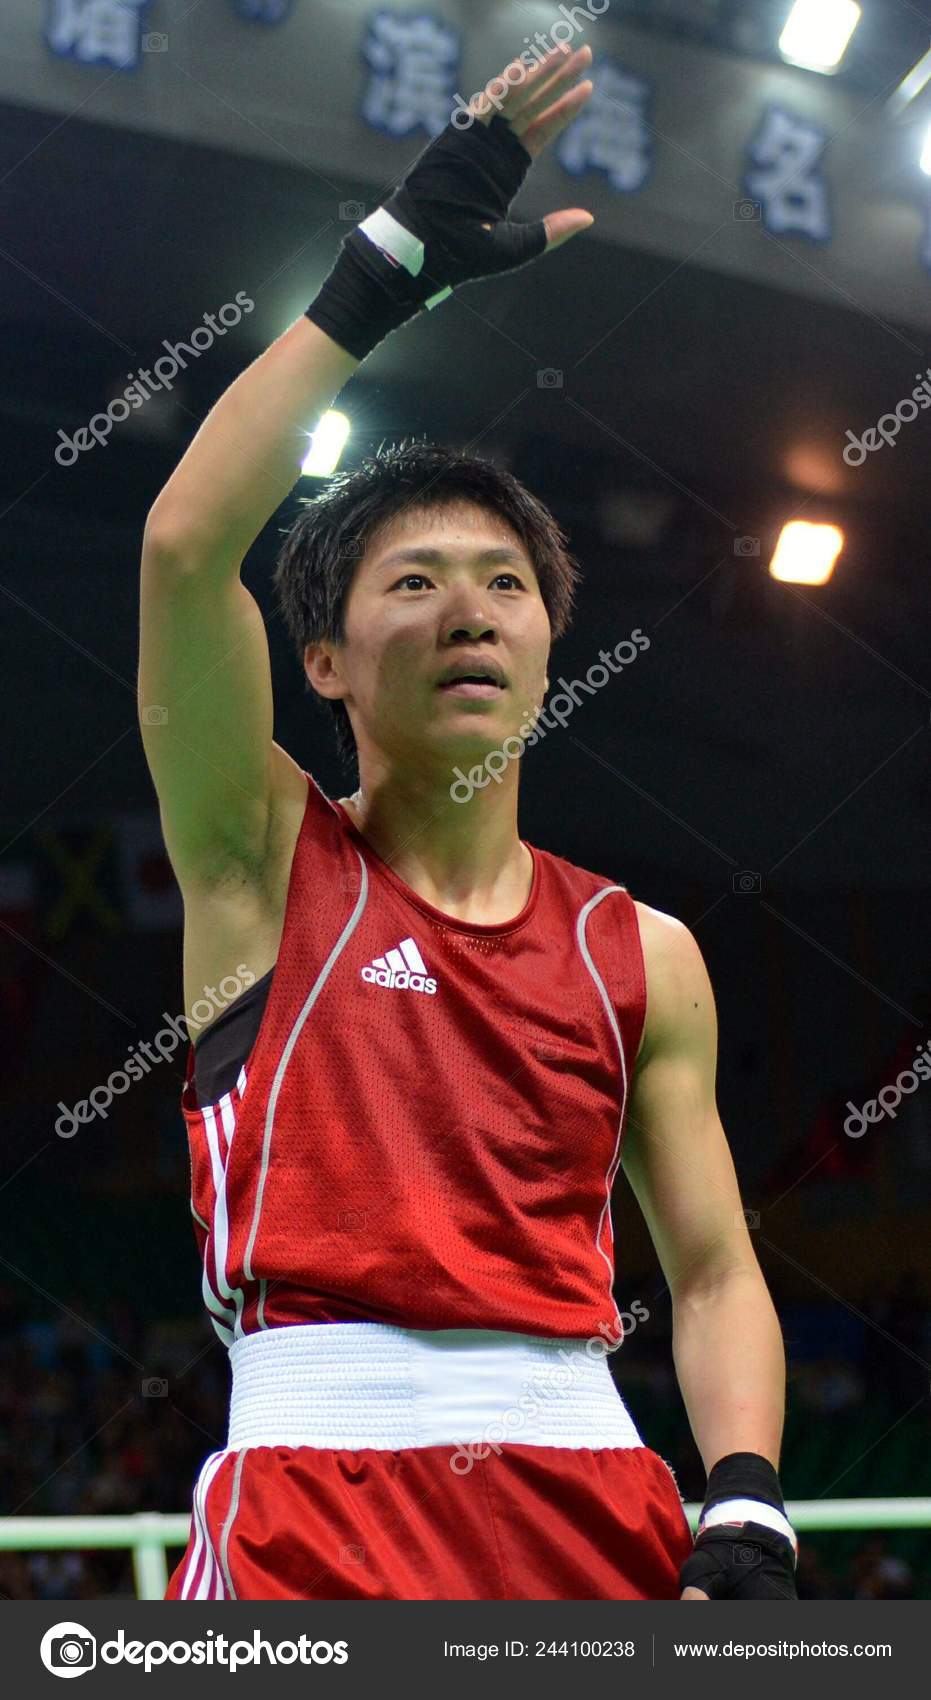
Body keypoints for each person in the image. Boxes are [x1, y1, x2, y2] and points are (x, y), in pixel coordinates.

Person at [139, 37, 797, 1602]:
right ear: (323, 659)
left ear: (550, 646)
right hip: (312, 1508)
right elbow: (181, 546)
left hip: (597, 1512)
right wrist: (385, 276)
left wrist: (751, 1505)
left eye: (506, 584)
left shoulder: (645, 953)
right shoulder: (258, 859)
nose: (470, 613)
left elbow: (710, 1269)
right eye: (413, 584)